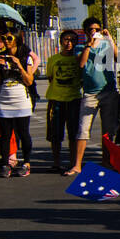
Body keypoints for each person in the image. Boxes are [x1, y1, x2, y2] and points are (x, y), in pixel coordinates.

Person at [73, 18, 118, 175]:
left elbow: (117, 57)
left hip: (108, 91)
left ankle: (106, 161)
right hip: (90, 93)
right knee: (83, 129)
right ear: (85, 31)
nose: (95, 31)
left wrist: (110, 38)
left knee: (108, 129)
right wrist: (89, 45)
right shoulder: (80, 47)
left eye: (97, 29)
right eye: (91, 29)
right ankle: (77, 164)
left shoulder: (106, 44)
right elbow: (81, 64)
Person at [0, 32, 36, 177]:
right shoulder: (1, 57)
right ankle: (6, 163)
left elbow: (29, 81)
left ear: (17, 39)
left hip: (21, 99)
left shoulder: (25, 56)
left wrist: (18, 65)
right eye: (3, 38)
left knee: (23, 132)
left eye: (9, 38)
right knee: (5, 134)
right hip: (4, 99)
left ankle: (26, 163)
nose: (6, 41)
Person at [43, 31, 83, 173]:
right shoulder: (53, 59)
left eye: (72, 40)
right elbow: (50, 78)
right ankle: (56, 162)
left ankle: (73, 162)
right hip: (56, 99)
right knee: (55, 134)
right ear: (61, 41)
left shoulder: (79, 59)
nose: (69, 43)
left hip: (73, 99)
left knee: (73, 133)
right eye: (66, 40)